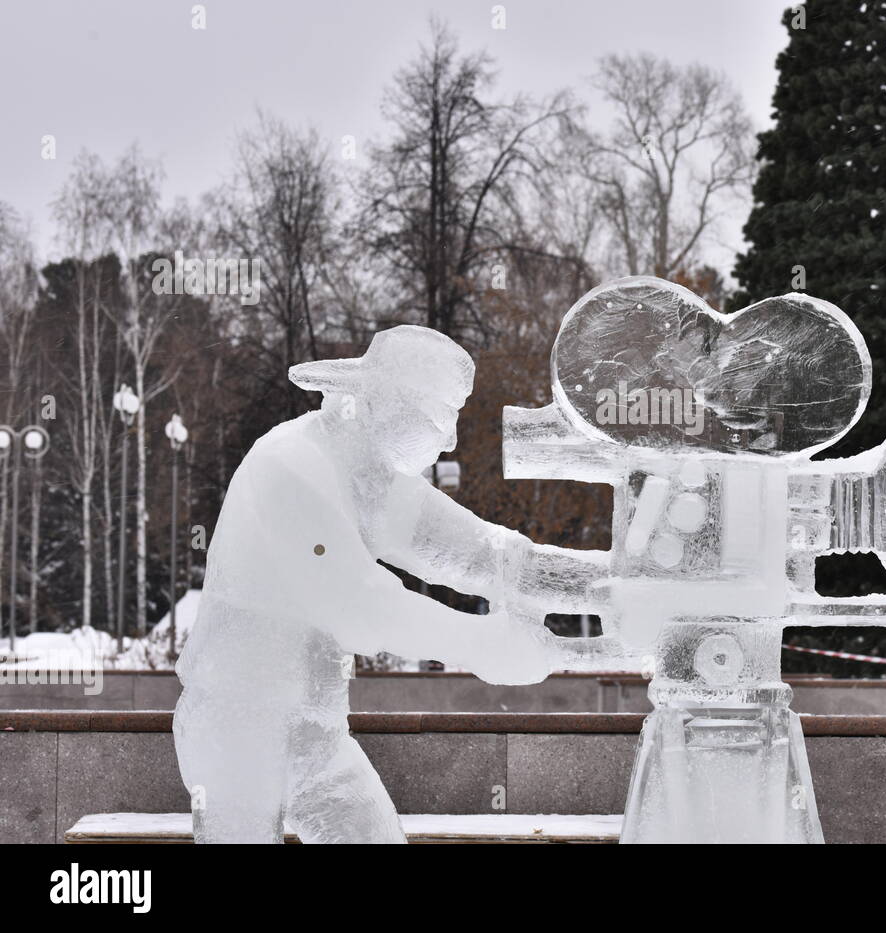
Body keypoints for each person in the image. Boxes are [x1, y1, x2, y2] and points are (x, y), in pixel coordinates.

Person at [174, 325, 608, 843]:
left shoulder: (369, 479)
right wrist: (486, 643)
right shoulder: (290, 464)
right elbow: (359, 605)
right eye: (441, 416)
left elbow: (487, 556)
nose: (449, 439)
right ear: (381, 401)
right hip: (239, 727)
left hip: (314, 732)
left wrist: (611, 584)